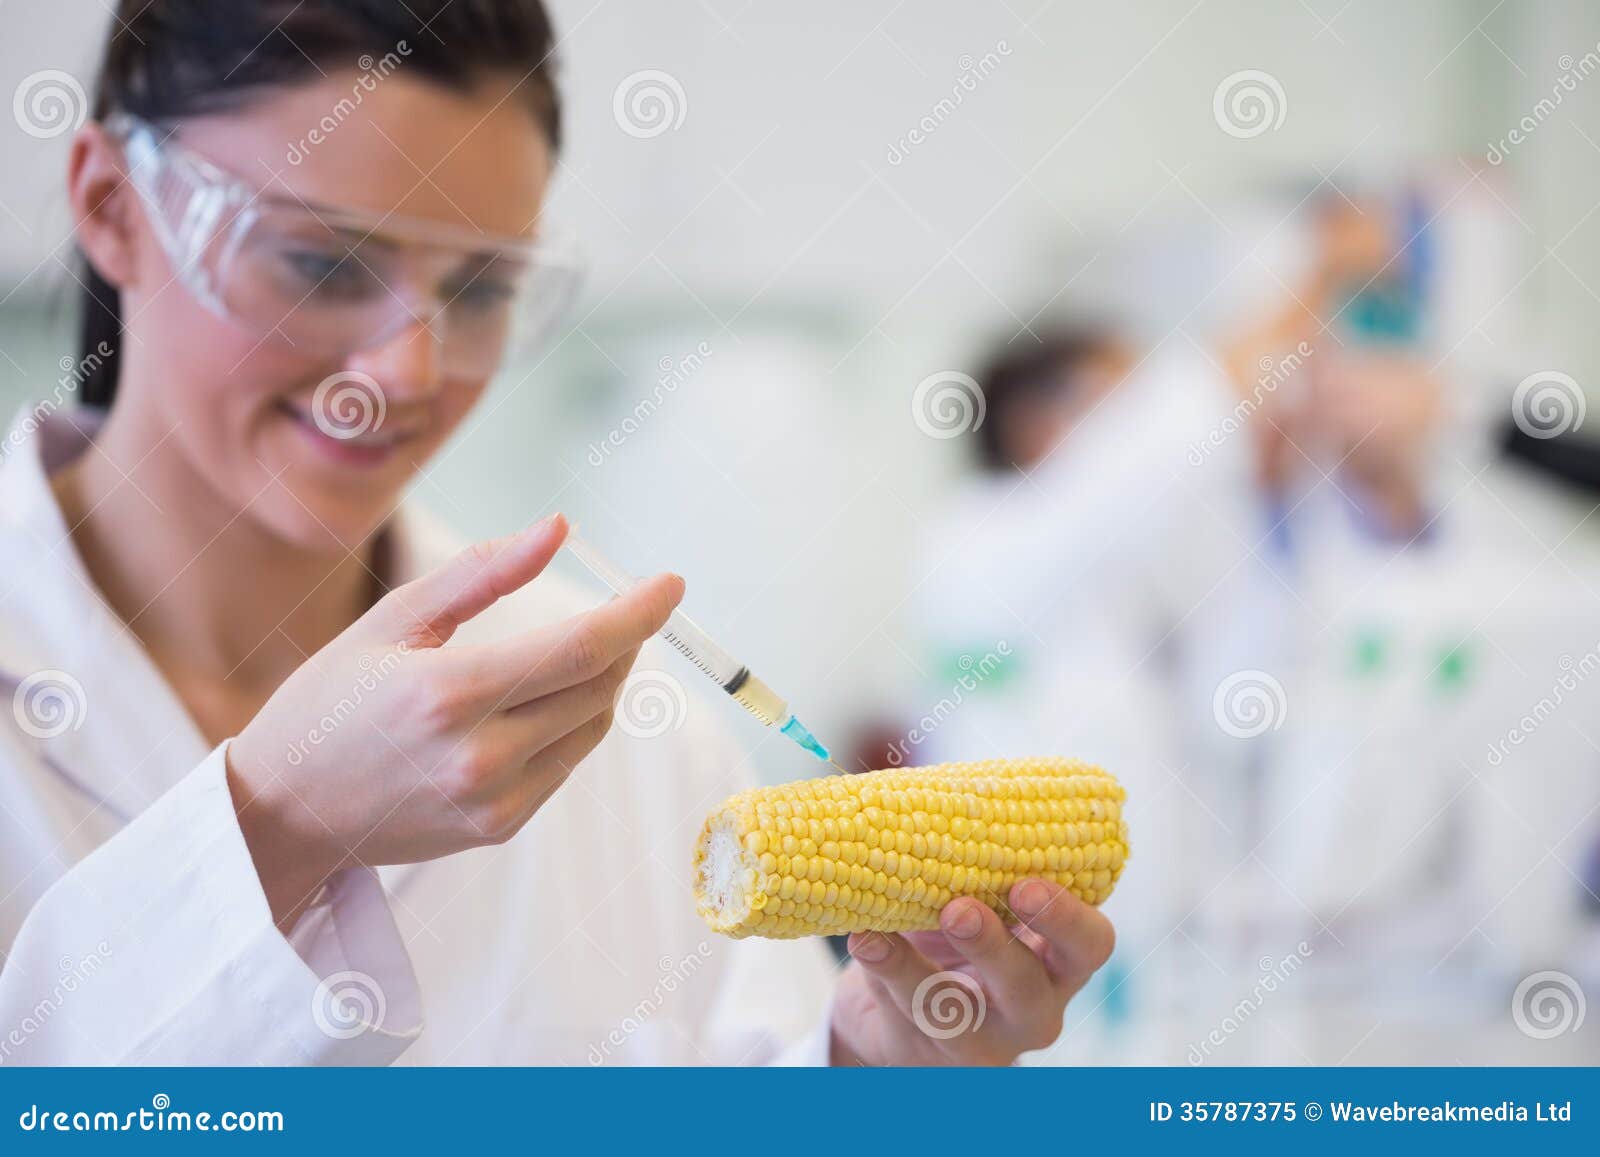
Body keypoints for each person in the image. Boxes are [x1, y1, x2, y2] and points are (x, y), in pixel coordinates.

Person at [0, 0, 1114, 1066]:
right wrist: (276, 824)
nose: (409, 369)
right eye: (323, 263)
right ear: (109, 203)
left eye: (480, 288)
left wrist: (875, 1067)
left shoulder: (630, 726)